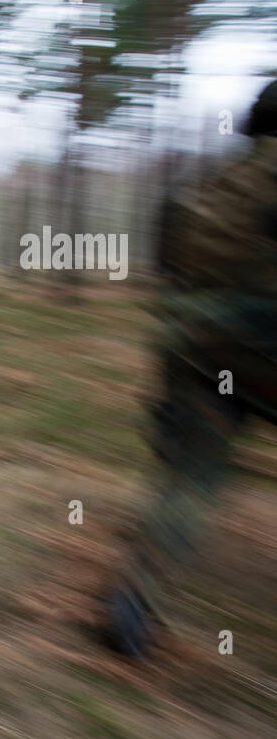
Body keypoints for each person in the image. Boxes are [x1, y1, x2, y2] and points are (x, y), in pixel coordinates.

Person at [106, 80, 277, 656]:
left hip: (195, 347)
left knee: (188, 479)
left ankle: (135, 605)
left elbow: (167, 255)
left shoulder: (213, 185)